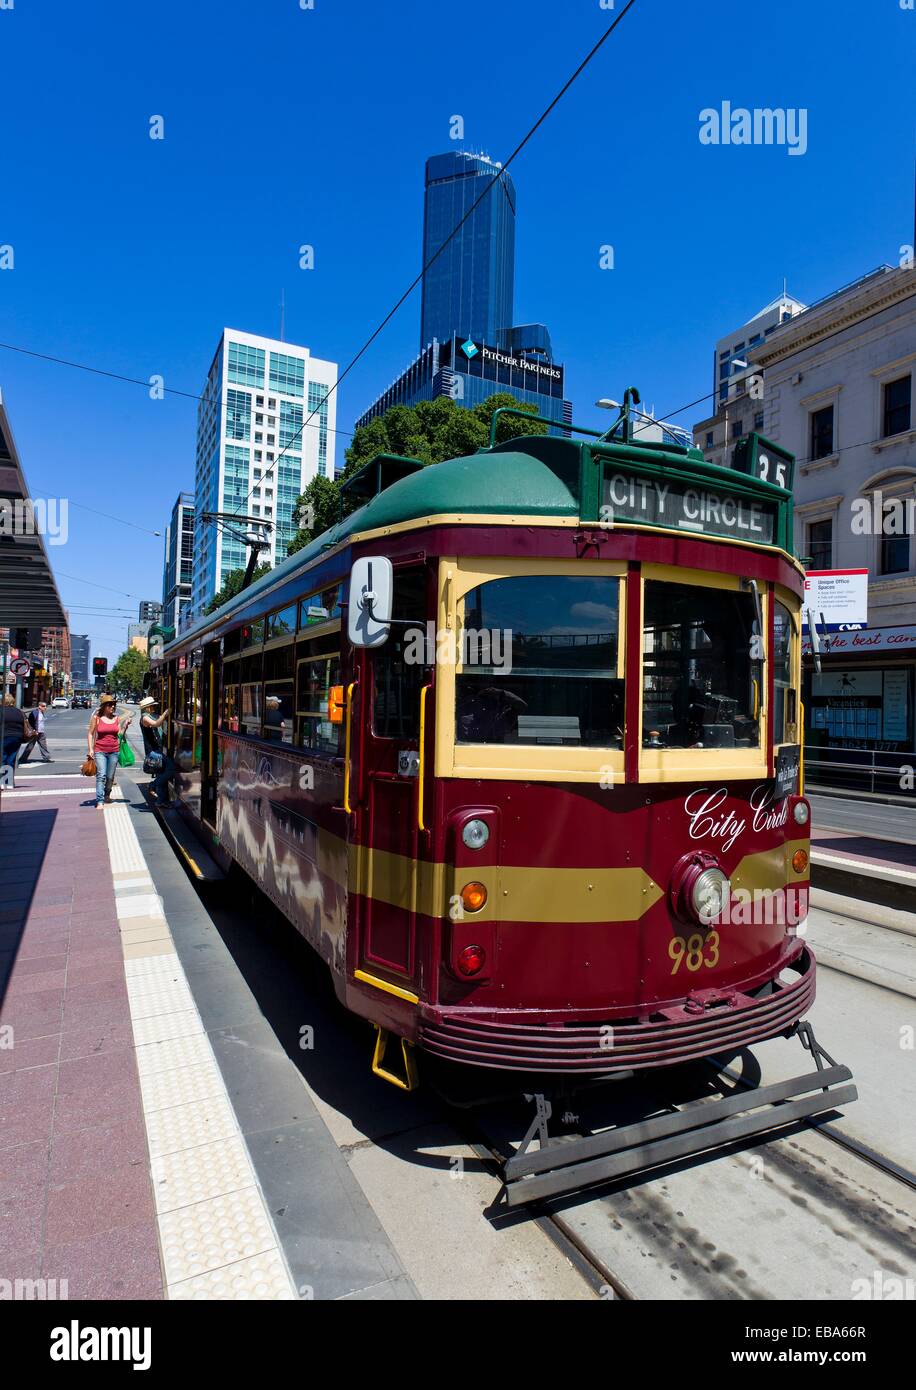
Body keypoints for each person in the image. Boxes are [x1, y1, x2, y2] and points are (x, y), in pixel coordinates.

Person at [87, 694, 132, 809]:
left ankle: (107, 794)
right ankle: (100, 800)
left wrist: (125, 726)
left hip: (114, 751)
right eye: (110, 705)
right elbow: (90, 734)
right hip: (100, 750)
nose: (113, 707)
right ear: (104, 706)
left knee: (110, 776)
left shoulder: (116, 718)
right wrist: (91, 749)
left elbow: (120, 734)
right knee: (101, 775)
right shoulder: (96, 718)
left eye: (114, 705)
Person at [139, 695, 175, 802]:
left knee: (161, 773)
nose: (154, 707)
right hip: (153, 751)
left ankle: (161, 801)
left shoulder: (150, 715)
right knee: (171, 769)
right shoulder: (144, 718)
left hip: (157, 749)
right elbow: (155, 724)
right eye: (152, 706)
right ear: (147, 707)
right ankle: (152, 785)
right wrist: (165, 714)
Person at [1, 693, 34, 782]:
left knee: (3, 758)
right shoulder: (19, 712)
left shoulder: (1, 711)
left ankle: (2, 781)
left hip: (3, 737)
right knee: (11, 759)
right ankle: (9, 782)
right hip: (17, 738)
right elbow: (24, 724)